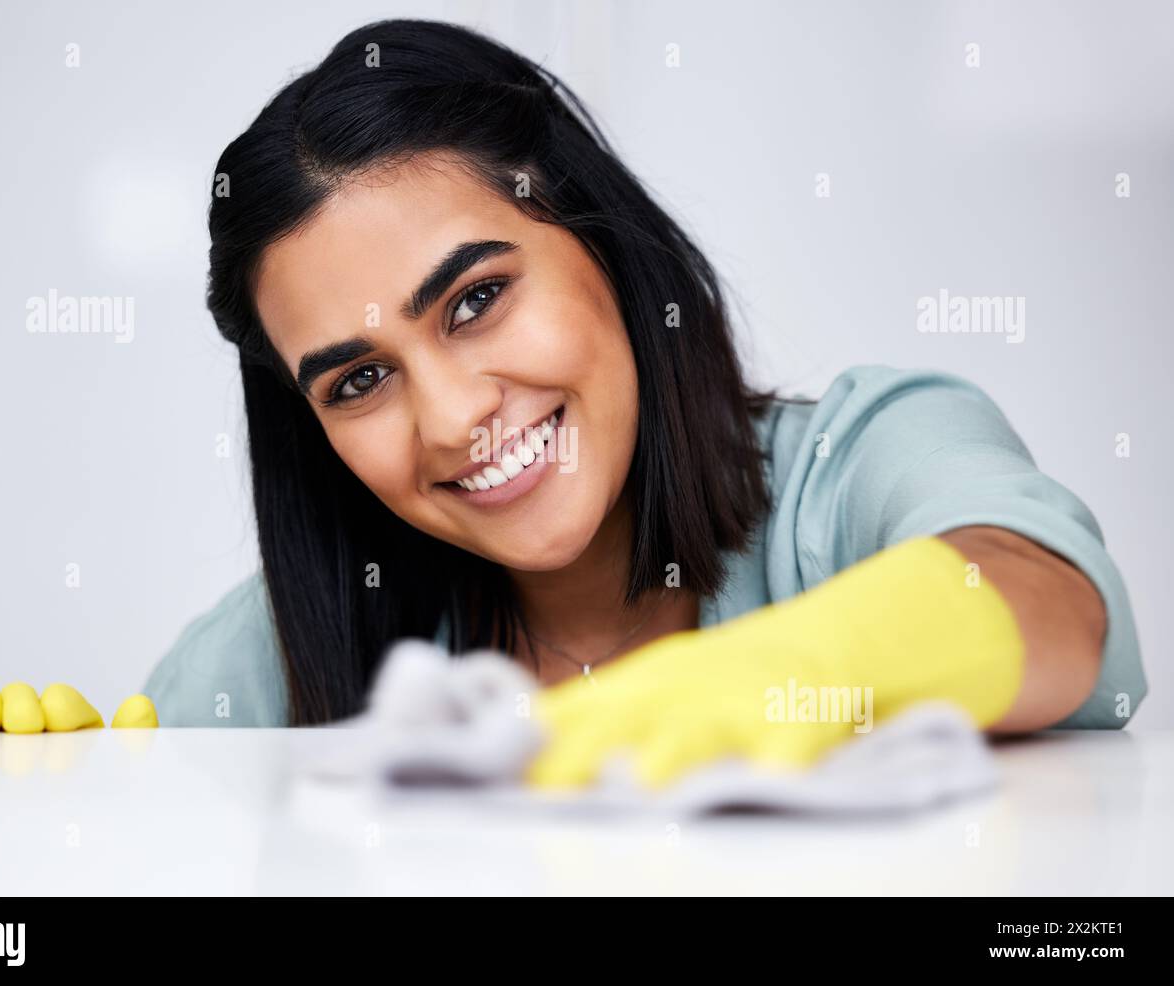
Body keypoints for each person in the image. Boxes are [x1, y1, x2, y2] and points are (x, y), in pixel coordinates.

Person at [143, 19, 1146, 786]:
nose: (450, 417)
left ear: (606, 244)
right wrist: (19, 767)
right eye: (358, 380)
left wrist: (792, 669)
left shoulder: (857, 463)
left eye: (476, 299)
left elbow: (1050, 601)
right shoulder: (290, 638)